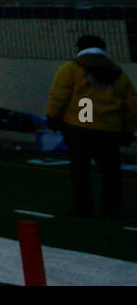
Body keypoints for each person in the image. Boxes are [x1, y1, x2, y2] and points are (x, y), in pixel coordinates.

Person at [45, 35, 136, 218]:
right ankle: (111, 209)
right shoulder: (117, 73)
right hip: (109, 128)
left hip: (79, 125)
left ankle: (82, 208)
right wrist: (128, 129)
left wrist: (53, 117)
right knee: (110, 172)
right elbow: (131, 104)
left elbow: (59, 95)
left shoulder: (72, 68)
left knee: (80, 170)